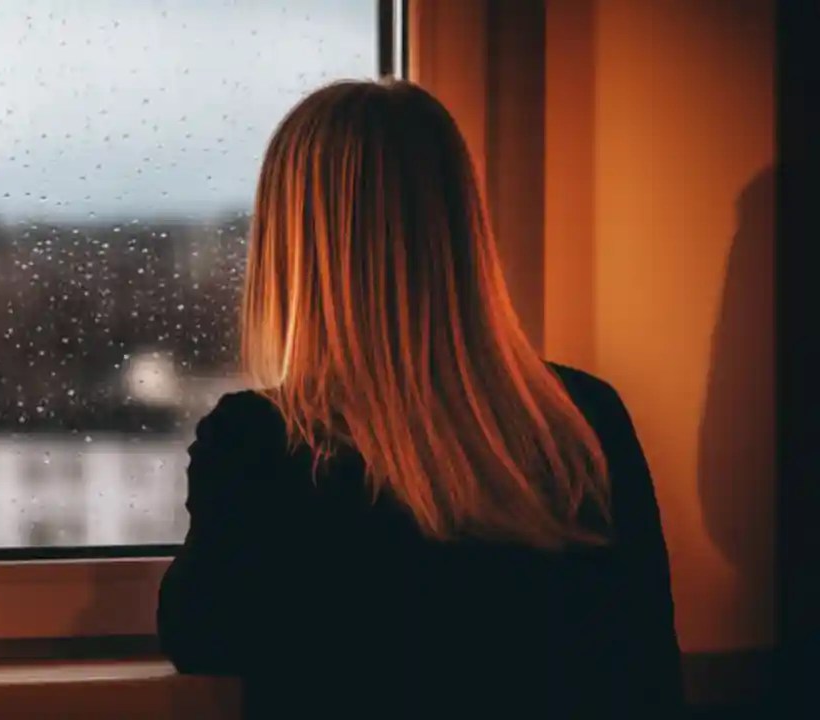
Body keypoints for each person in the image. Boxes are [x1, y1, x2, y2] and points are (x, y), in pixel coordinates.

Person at [157, 79, 683, 718]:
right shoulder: (581, 419)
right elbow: (647, 671)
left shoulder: (263, 442)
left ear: (291, 245)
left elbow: (201, 633)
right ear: (462, 226)